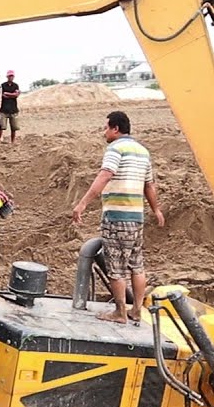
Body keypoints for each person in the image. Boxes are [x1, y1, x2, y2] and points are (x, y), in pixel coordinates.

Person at [70, 110, 165, 324]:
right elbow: (149, 185)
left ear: (115, 128)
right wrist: (156, 209)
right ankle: (136, 310)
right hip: (136, 218)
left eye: (106, 128)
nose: (104, 132)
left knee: (116, 267)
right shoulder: (143, 151)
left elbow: (105, 175)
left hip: (117, 217)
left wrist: (83, 203)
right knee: (137, 265)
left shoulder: (115, 149)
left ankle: (120, 312)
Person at [0, 70, 21, 143]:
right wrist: (12, 95)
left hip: (13, 109)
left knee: (14, 127)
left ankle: (12, 141)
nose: (11, 77)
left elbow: (16, 95)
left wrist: (7, 94)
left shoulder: (16, 85)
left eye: (12, 76)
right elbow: (2, 95)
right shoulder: (3, 85)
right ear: (7, 76)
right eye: (9, 76)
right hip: (4, 109)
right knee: (1, 126)